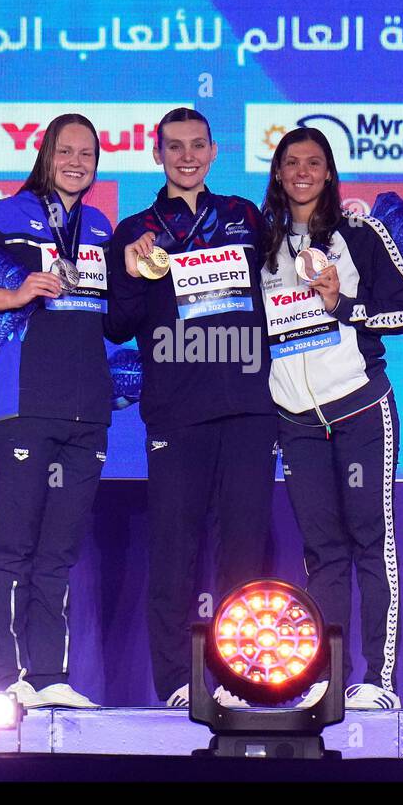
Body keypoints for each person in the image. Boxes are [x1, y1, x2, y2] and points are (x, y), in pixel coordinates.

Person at [0, 114, 113, 709]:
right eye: (66, 150)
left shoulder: (100, 226)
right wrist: (15, 294)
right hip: (23, 404)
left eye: (87, 152)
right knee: (13, 545)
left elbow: (112, 314)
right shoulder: (3, 216)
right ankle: (5, 683)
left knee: (59, 551)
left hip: (87, 409)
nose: (76, 161)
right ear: (45, 154)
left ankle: (50, 677)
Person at [106, 108, 276, 708]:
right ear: (156, 154)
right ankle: (177, 681)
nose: (186, 156)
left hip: (250, 406)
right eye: (173, 147)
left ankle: (240, 676)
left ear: (214, 151)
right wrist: (129, 272)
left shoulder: (246, 217)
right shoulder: (134, 229)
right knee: (174, 550)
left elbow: (288, 278)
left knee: (244, 551)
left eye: (197, 146)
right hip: (176, 410)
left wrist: (347, 224)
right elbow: (119, 322)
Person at [258, 128, 403, 710]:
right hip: (295, 420)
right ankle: (328, 680)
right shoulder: (260, 239)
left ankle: (378, 681)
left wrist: (341, 305)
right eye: (291, 162)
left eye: (314, 163)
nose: (302, 172)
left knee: (371, 545)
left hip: (359, 409)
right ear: (277, 172)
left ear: (329, 173)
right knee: (321, 551)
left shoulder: (360, 232)